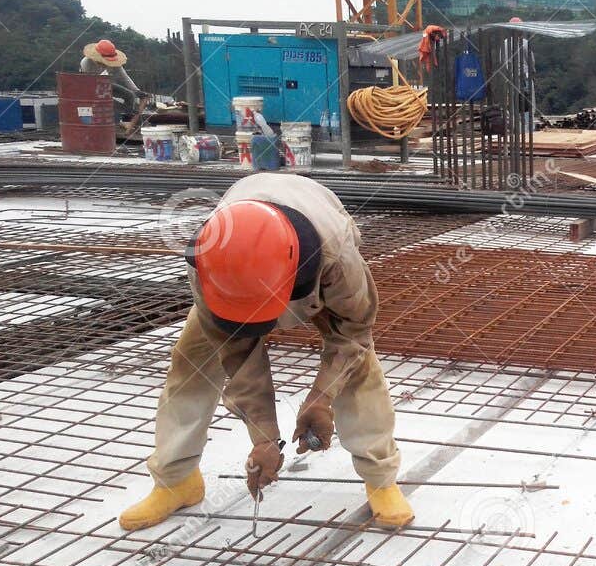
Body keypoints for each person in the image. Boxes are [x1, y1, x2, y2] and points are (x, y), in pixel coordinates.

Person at [119, 172, 413, 532]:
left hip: (314, 261)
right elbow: (239, 356)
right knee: (191, 365)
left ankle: (380, 479)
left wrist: (321, 397)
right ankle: (176, 480)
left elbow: (353, 334)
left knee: (357, 367)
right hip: (242, 281)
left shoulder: (336, 259)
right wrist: (263, 437)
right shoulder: (209, 264)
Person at [79, 39, 145, 118]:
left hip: (104, 83)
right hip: (88, 86)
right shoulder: (86, 63)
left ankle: (127, 121)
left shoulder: (114, 63)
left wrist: (136, 90)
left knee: (130, 95)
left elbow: (124, 77)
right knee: (108, 103)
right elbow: (92, 85)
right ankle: (121, 113)